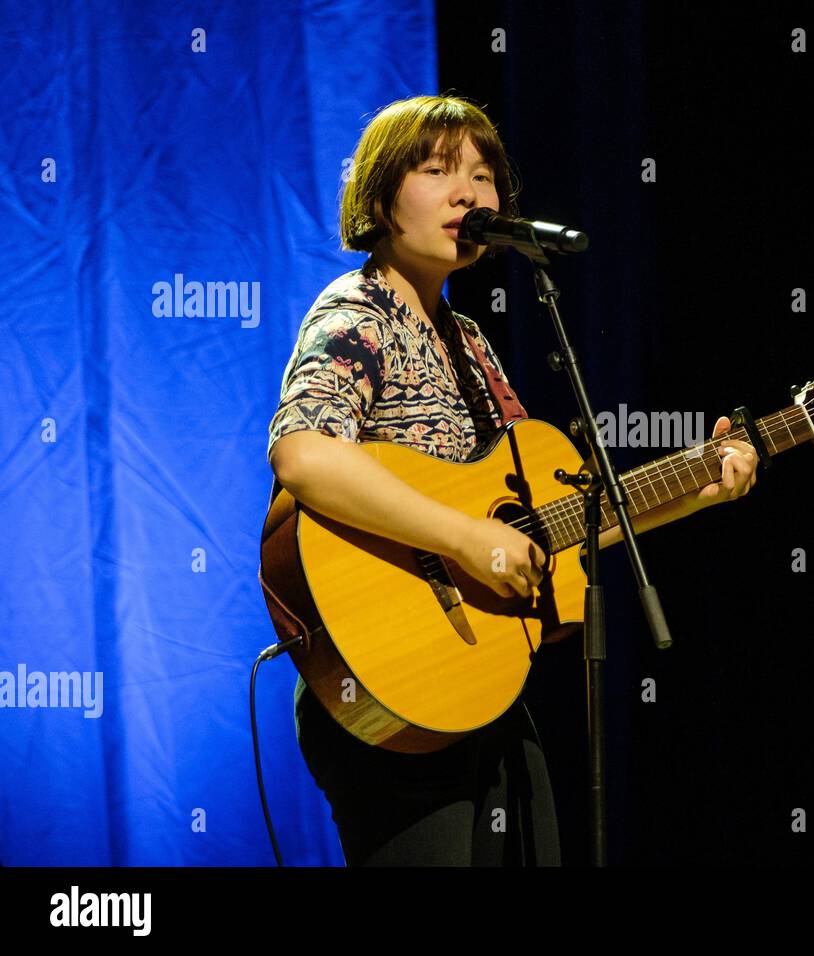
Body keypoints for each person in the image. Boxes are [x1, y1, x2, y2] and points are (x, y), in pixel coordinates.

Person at [266, 94, 758, 866]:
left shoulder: (468, 343)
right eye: (438, 171)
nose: (471, 193)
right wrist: (463, 537)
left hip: (474, 685)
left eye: (484, 175)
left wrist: (700, 488)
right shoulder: (356, 313)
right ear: (380, 198)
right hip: (388, 678)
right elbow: (303, 454)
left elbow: (556, 520)